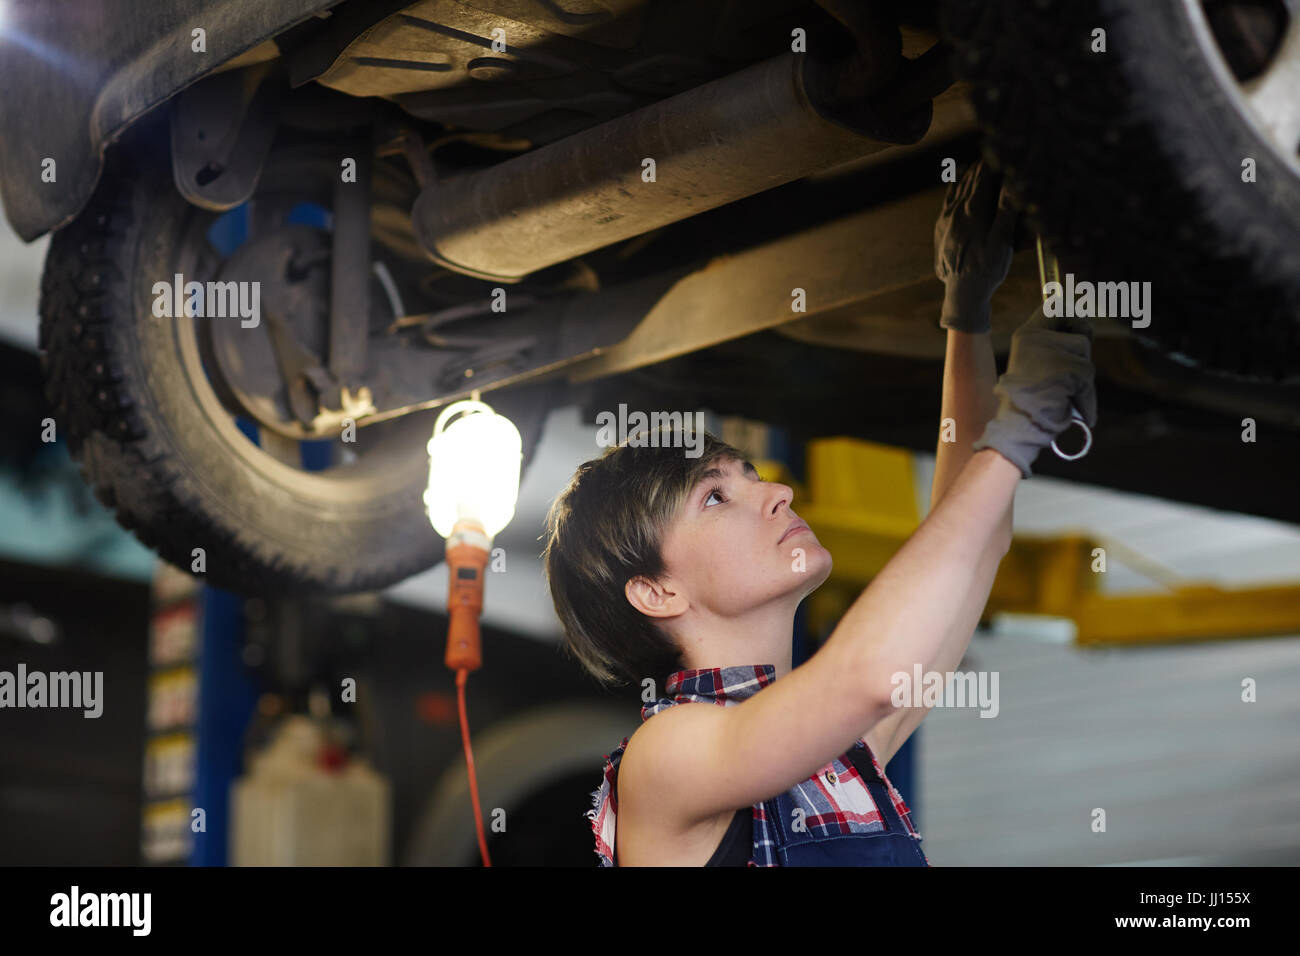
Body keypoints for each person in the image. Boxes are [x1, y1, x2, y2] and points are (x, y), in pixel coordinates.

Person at [541, 159, 1097, 866]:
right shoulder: (666, 756)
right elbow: (870, 673)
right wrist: (1016, 434)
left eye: (750, 476)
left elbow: (976, 549)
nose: (779, 492)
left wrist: (967, 316)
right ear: (657, 591)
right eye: (717, 497)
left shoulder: (840, 756)